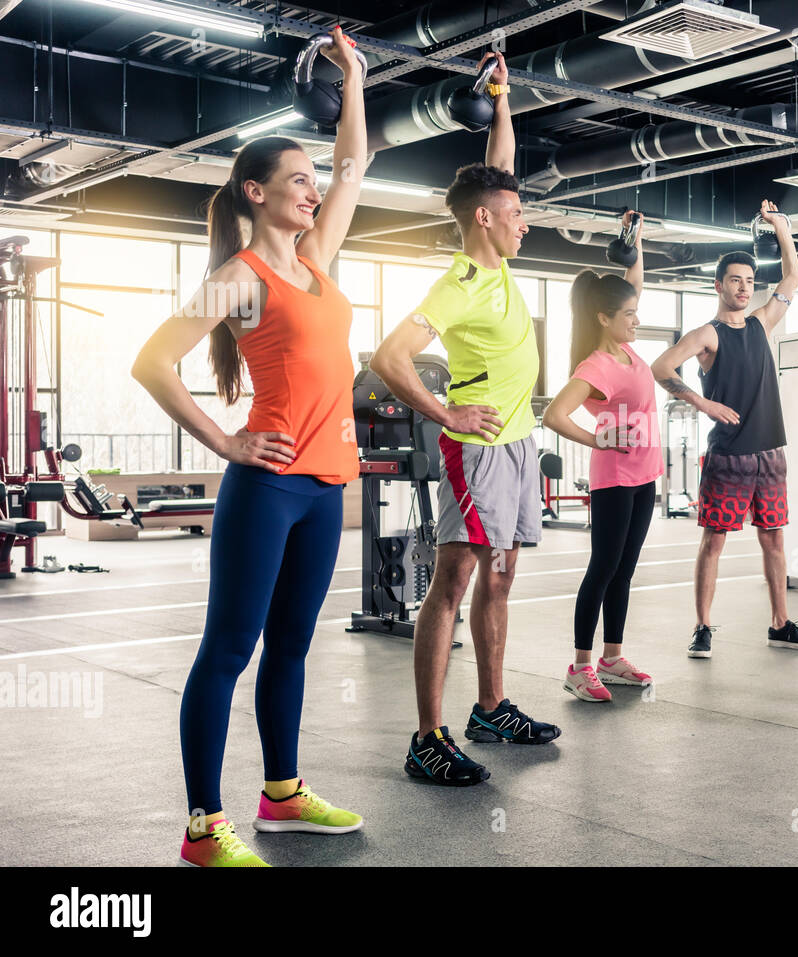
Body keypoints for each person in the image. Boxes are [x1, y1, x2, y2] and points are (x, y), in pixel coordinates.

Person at [132, 27, 367, 866]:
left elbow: (354, 167)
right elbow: (153, 362)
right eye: (295, 180)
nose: (312, 190)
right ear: (256, 191)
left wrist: (357, 77)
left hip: (326, 485)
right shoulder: (241, 277)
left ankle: (283, 794)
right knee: (229, 648)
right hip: (267, 487)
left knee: (295, 646)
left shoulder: (319, 261)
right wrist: (227, 440)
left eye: (311, 179)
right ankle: (204, 827)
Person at [369, 51, 558, 787]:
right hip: (475, 451)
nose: (525, 225)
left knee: (501, 576)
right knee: (452, 580)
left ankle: (489, 707)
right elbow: (390, 355)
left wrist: (503, 99)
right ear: (485, 222)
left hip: (516, 445)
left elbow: (499, 170)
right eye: (516, 216)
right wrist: (445, 408)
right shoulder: (461, 284)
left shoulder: (499, 258)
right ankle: (427, 736)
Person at [650, 200, 798, 659]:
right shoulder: (708, 335)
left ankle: (780, 624)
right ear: (719, 285)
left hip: (771, 453)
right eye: (735, 281)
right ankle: (702, 627)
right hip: (730, 455)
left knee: (775, 538)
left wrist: (781, 227)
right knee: (714, 542)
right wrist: (702, 403)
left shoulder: (763, 323)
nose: (744, 288)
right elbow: (661, 367)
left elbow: (794, 276)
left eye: (748, 282)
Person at [542, 211, 662, 701]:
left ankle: (612, 657)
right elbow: (554, 415)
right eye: (629, 314)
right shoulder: (598, 365)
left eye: (634, 312)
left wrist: (638, 238)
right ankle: (581, 665)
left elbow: (633, 280)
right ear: (604, 319)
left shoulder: (626, 350)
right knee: (603, 568)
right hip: (615, 478)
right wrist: (598, 441)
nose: (637, 318)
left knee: (626, 569)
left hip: (645, 474)